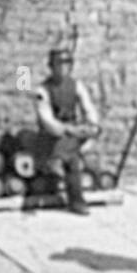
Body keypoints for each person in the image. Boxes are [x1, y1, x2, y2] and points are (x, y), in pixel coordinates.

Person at [34, 47, 100, 215]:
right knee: (72, 157)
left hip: (72, 133)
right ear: (51, 66)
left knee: (73, 146)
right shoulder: (42, 90)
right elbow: (47, 121)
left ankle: (61, 160)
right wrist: (68, 130)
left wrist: (92, 125)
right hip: (52, 136)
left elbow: (88, 108)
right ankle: (77, 200)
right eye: (59, 64)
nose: (63, 68)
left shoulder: (77, 86)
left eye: (66, 64)